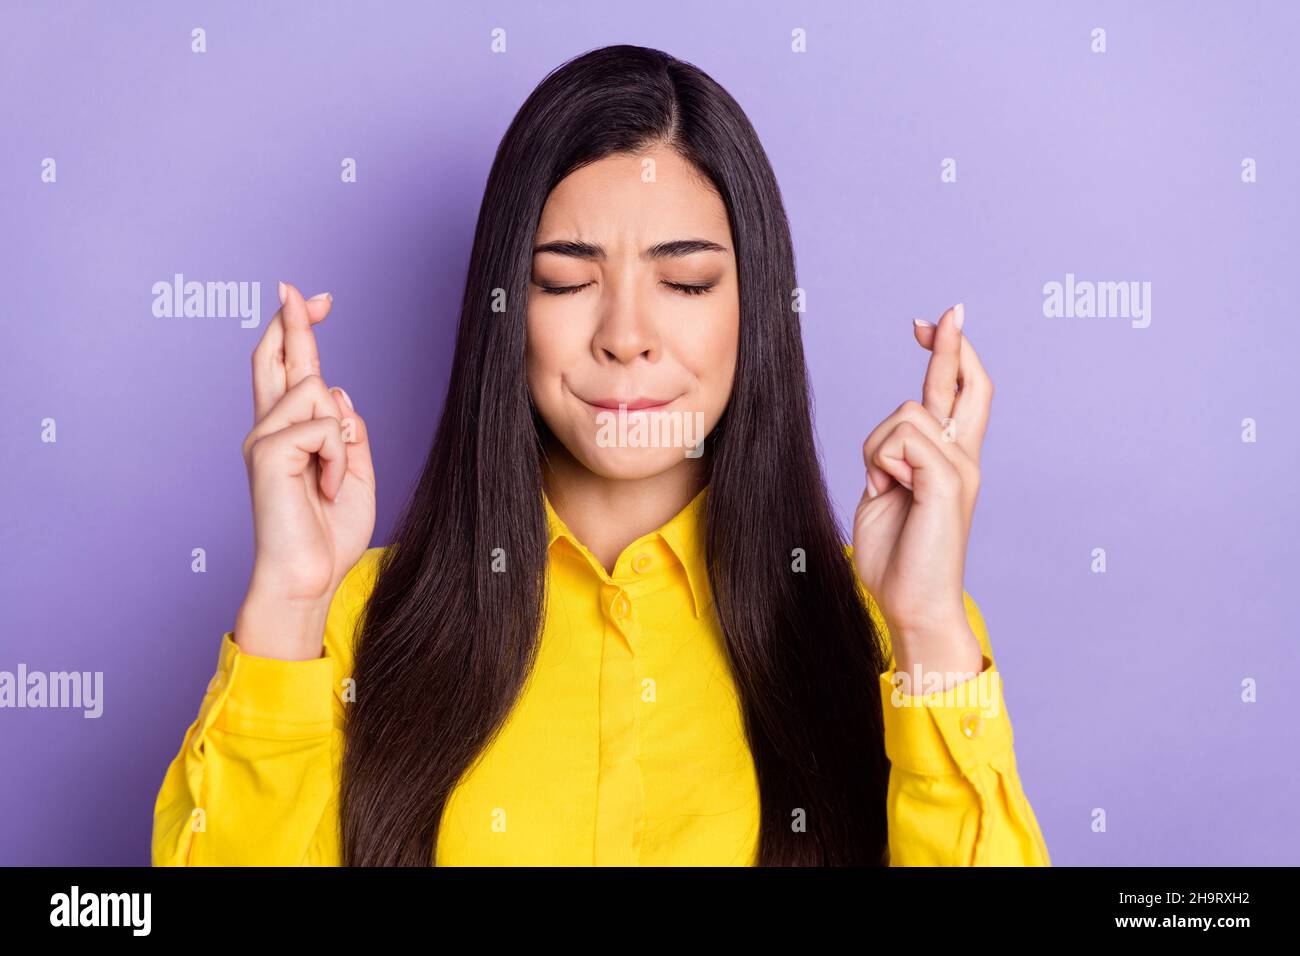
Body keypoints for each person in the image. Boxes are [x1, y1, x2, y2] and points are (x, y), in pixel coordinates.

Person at [152, 44, 1050, 867]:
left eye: (686, 281)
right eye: (567, 280)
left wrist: (930, 627)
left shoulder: (887, 635)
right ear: (508, 308)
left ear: (757, 310)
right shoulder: (343, 631)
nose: (626, 336)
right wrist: (287, 599)